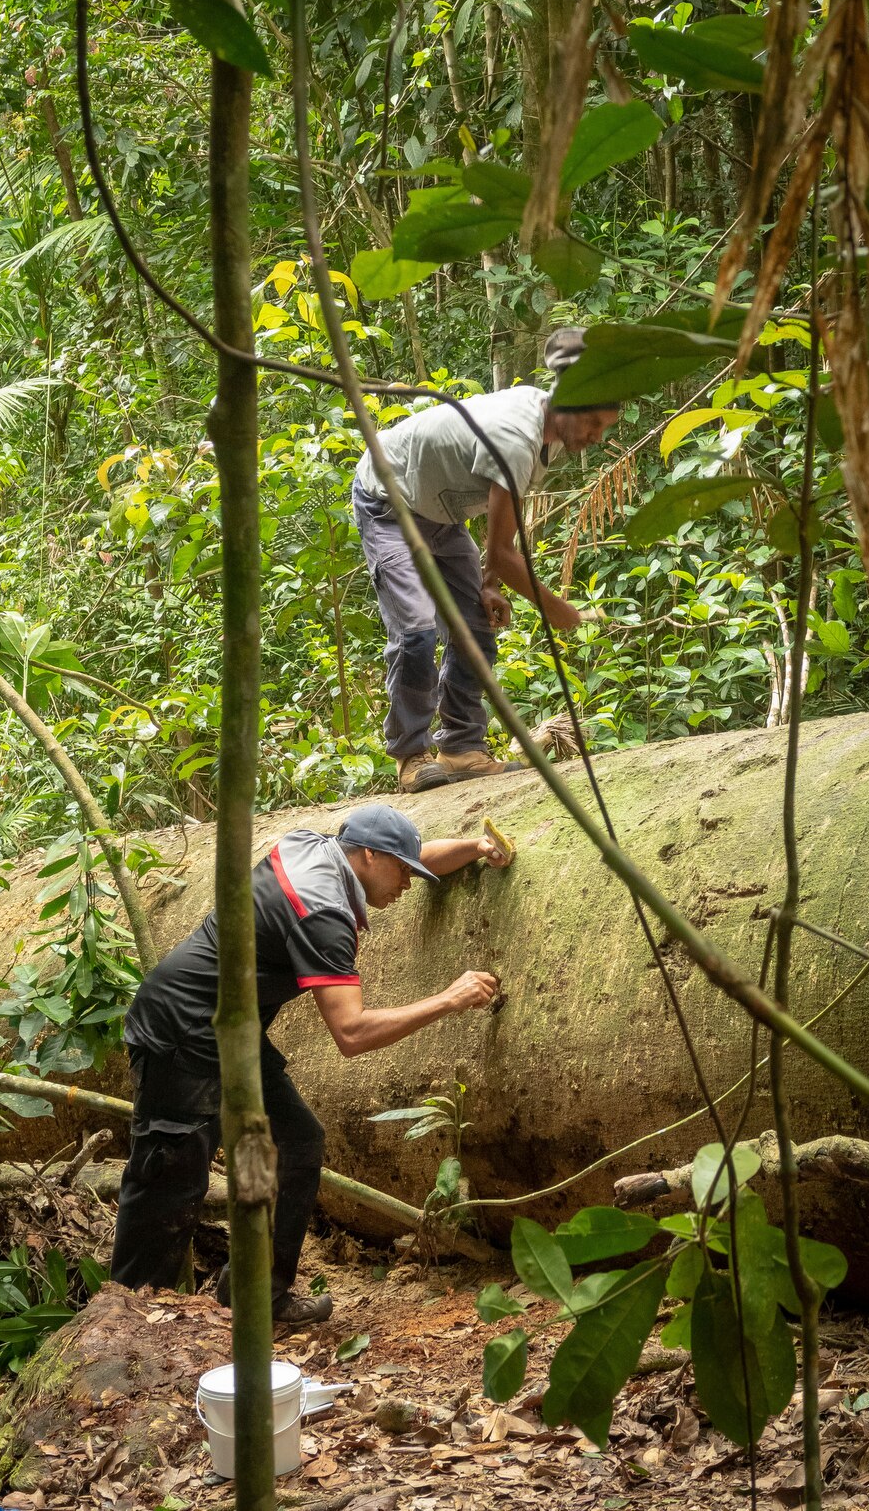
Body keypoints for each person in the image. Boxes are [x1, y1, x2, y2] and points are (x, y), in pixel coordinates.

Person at [110, 803, 505, 1325]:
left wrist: (475, 848)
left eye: (413, 872)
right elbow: (352, 1033)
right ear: (366, 856)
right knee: (170, 1182)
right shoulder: (322, 914)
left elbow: (402, 854)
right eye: (403, 872)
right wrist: (449, 999)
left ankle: (258, 1297)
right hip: (182, 1031)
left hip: (233, 1032)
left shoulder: (318, 846)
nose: (408, 883)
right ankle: (129, 1327)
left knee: (296, 1142)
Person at [353, 327, 621, 793]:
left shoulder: (551, 424)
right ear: (570, 403)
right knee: (416, 630)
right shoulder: (516, 439)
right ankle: (410, 756)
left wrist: (491, 583)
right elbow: (502, 551)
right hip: (389, 499)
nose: (597, 437)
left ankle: (460, 748)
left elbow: (502, 532)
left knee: (477, 620)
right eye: (595, 424)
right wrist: (560, 610)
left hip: (441, 514)